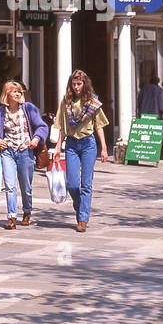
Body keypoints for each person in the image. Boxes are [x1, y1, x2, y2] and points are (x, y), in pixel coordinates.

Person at [51, 69, 109, 233]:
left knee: (86, 184)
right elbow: (62, 126)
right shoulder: (66, 102)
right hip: (71, 144)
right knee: (72, 183)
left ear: (84, 84)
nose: (76, 87)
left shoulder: (92, 102)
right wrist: (57, 147)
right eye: (74, 84)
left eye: (79, 84)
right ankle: (80, 207)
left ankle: (83, 219)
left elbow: (99, 126)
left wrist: (104, 148)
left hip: (88, 144)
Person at [0, 80, 48, 229]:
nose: (18, 94)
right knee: (10, 185)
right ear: (7, 94)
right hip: (8, 152)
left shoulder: (29, 108)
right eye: (14, 91)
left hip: (25, 151)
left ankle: (27, 211)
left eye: (19, 91)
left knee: (26, 187)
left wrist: (36, 139)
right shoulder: (0, 112)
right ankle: (12, 217)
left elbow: (41, 126)